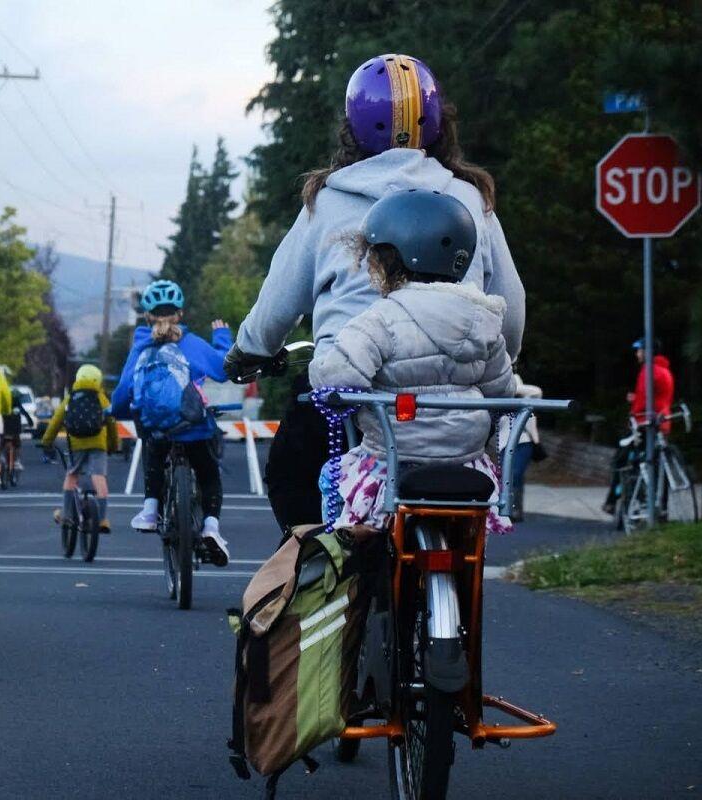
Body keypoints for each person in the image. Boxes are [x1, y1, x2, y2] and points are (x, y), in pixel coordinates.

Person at [225, 53, 525, 528]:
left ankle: (319, 587)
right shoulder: (469, 197)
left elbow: (278, 303)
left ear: (352, 129)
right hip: (455, 400)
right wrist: (493, 355)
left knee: (291, 474)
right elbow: (510, 307)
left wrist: (249, 350)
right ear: (437, 125)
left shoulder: (327, 201)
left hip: (356, 388)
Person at [307, 190, 515, 536]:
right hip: (466, 462)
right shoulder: (486, 320)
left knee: (331, 478)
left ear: (395, 259)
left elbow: (338, 376)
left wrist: (318, 368)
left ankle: (353, 575)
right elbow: (503, 390)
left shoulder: (379, 320)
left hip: (389, 463)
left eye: (375, 257)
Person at [110, 279, 233, 566]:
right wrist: (222, 337)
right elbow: (223, 369)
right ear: (180, 313)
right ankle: (212, 528)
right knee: (208, 473)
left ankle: (150, 509)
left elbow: (122, 393)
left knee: (153, 451)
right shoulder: (192, 343)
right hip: (193, 427)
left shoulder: (141, 346)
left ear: (147, 315)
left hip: (157, 429)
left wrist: (121, 413)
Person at [40, 364, 120, 532]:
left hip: (76, 444)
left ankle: (67, 515)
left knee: (72, 475)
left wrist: (47, 442)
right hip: (98, 445)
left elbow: (56, 421)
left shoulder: (71, 398)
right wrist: (113, 445)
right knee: (99, 477)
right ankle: (103, 519)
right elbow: (111, 422)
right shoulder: (101, 398)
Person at [603, 338, 676, 514]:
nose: (637, 354)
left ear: (647, 352)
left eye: (639, 350)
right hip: (663, 423)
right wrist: (636, 398)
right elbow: (656, 398)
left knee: (622, 458)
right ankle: (662, 508)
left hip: (646, 424)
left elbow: (643, 401)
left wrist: (632, 416)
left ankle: (613, 500)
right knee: (658, 466)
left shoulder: (648, 371)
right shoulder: (665, 370)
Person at [499, 372, 544, 522]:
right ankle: (507, 507)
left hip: (524, 442)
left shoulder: (527, 401)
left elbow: (537, 391)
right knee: (507, 476)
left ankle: (515, 509)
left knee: (516, 474)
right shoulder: (500, 403)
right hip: (505, 444)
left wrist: (516, 389)